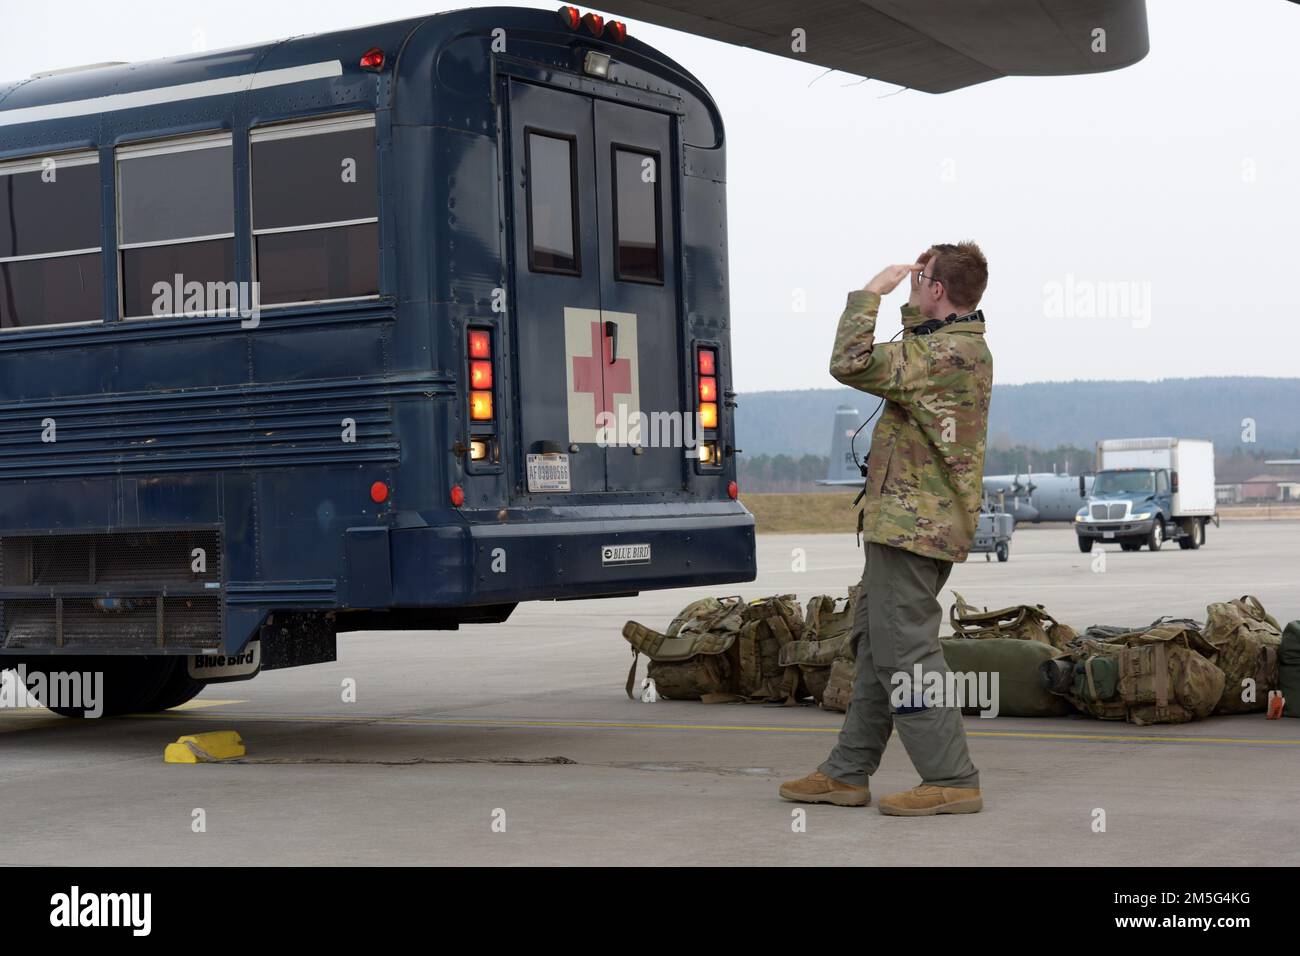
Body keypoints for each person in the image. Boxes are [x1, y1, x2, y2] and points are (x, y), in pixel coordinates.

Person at [779, 242, 994, 816]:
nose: (911, 287)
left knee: (907, 654)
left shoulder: (947, 355)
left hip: (913, 531)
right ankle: (847, 773)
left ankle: (951, 778)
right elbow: (912, 351)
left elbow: (850, 362)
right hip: (905, 526)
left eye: (920, 280)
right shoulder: (952, 347)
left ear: (938, 290)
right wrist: (915, 302)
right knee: (878, 648)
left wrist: (869, 295)